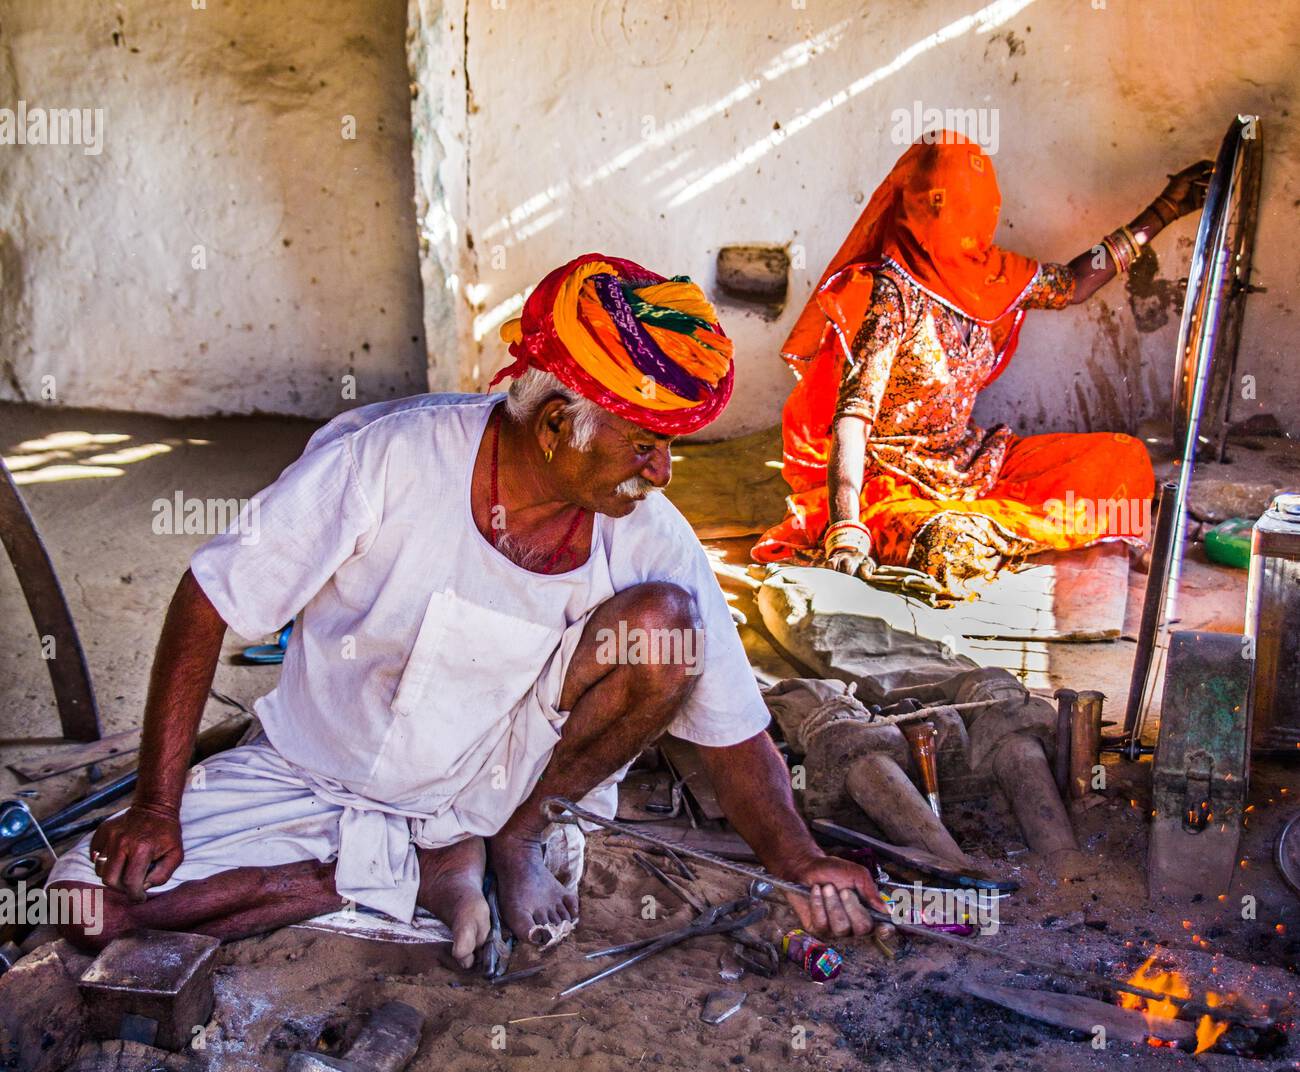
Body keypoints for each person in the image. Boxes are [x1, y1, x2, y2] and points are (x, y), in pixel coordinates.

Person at [48, 252, 885, 965]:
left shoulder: (648, 533)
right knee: (86, 894)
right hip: (317, 770)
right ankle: (425, 866)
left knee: (666, 624)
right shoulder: (391, 460)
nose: (663, 471)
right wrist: (155, 807)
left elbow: (732, 725)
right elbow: (209, 599)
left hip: (502, 779)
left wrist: (799, 858)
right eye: (647, 444)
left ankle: (510, 838)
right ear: (560, 425)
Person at [752, 134, 1212, 596]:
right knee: (947, 548)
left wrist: (1164, 211)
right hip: (892, 481)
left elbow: (1073, 284)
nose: (969, 220)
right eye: (954, 206)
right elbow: (851, 419)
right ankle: (976, 534)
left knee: (1123, 458)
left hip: (970, 463)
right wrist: (846, 529)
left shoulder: (988, 273)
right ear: (921, 204)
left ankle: (992, 530)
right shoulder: (888, 293)